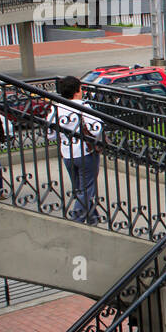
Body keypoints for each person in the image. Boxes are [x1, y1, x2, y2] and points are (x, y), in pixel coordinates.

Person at [51, 76, 104, 225]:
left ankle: (93, 219)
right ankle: (77, 220)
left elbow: (50, 134)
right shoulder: (83, 107)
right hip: (85, 153)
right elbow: (97, 129)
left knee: (80, 189)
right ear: (77, 91)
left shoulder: (57, 108)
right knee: (86, 189)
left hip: (67, 154)